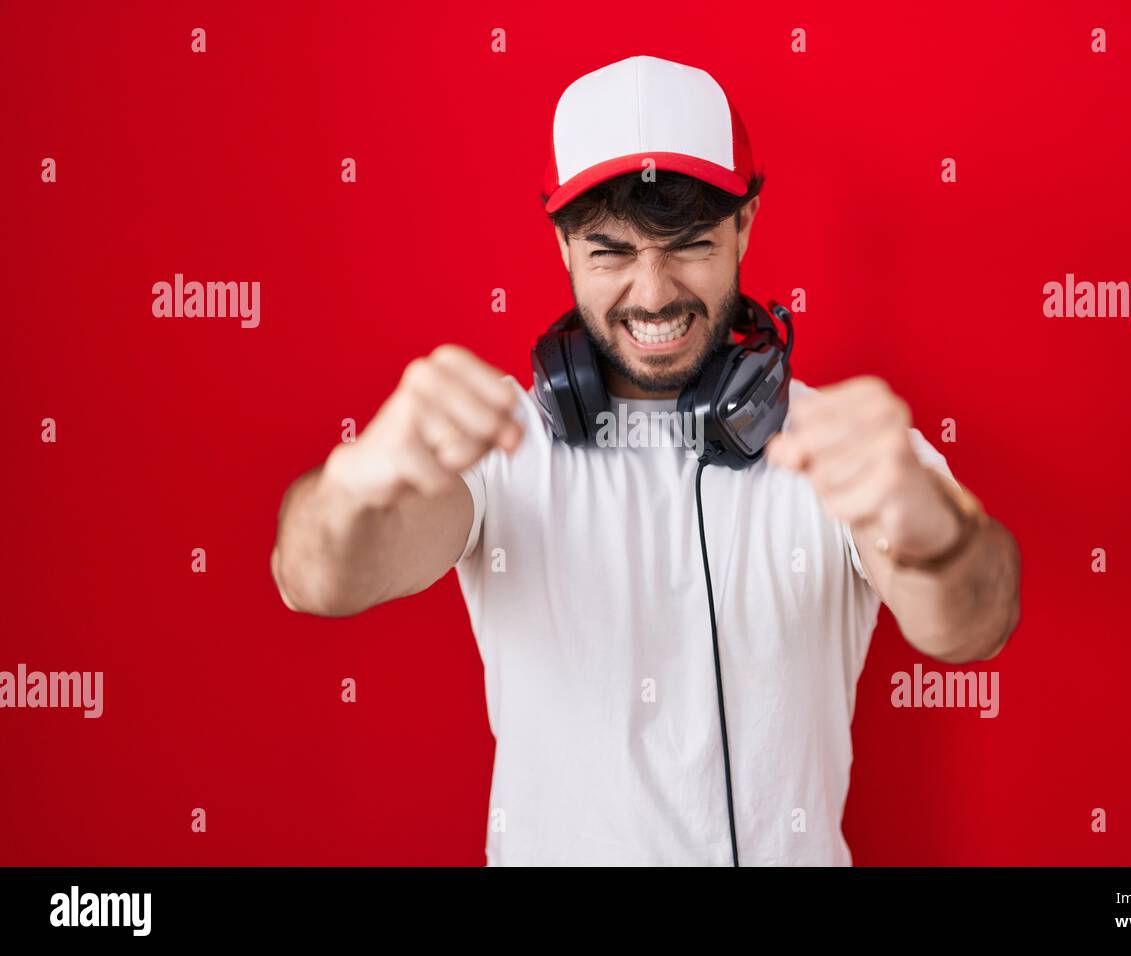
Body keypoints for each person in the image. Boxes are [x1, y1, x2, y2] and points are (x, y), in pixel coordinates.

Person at [271, 54, 1021, 866]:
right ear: (562, 244)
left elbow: (975, 626)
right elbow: (317, 582)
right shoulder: (493, 446)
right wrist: (349, 488)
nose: (654, 292)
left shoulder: (843, 449)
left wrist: (936, 533)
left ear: (745, 225)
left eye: (690, 244)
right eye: (611, 253)